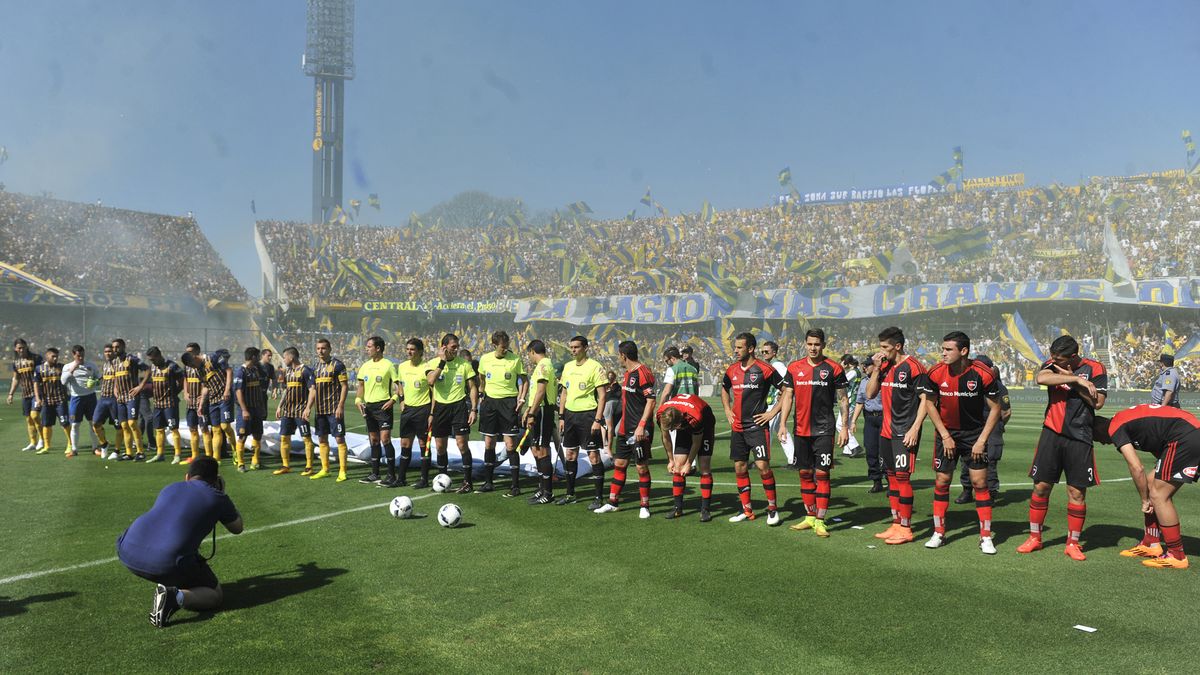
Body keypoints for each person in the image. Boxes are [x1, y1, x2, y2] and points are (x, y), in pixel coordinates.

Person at [116, 456, 243, 628]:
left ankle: (169, 580)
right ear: (215, 480)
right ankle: (174, 597)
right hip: (165, 562)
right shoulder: (217, 497)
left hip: (126, 549)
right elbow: (237, 527)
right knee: (215, 595)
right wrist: (222, 493)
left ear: (187, 476)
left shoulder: (170, 487)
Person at [1016, 334, 1107, 561]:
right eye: (1052, 357)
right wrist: (1076, 380)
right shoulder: (1053, 364)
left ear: (1073, 356)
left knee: (1076, 492)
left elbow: (1097, 402)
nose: (1053, 361)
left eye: (1059, 358)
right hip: (1051, 433)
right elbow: (1041, 377)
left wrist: (1074, 382)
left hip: (1080, 436)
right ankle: (1035, 538)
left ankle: (1072, 543)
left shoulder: (1095, 368)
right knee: (1041, 487)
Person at [918, 333, 1003, 554]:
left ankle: (986, 536)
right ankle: (938, 532)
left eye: (948, 349)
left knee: (980, 483)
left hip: (974, 434)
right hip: (946, 433)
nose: (943, 353)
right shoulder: (935, 372)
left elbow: (996, 408)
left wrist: (981, 440)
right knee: (942, 480)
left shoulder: (983, 373)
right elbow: (929, 404)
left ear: (963, 351)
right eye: (942, 349)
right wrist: (945, 436)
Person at [1095, 404, 1198, 569]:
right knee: (1151, 484)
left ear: (1099, 428)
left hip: (1184, 436)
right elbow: (1156, 441)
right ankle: (1151, 543)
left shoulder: (1115, 427)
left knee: (1158, 495)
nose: (1101, 443)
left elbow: (1137, 468)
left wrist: (1144, 500)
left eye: (1096, 438)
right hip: (1188, 432)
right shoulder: (1124, 422)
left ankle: (1177, 555)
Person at [773, 329, 849, 537]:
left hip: (824, 429)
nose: (813, 348)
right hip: (800, 430)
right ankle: (809, 517)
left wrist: (845, 427)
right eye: (810, 344)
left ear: (823, 345)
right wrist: (782, 424)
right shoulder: (794, 367)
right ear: (805, 344)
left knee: (822, 474)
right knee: (805, 473)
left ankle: (820, 521)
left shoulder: (833, 368)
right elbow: (788, 396)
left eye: (817, 344)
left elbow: (843, 399)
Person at [864, 326, 929, 545]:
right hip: (886, 431)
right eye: (880, 346)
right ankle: (896, 523)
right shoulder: (884, 367)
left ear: (898, 346)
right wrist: (876, 369)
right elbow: (870, 393)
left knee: (902, 478)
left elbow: (926, 400)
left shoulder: (914, 367)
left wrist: (915, 428)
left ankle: (906, 528)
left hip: (905, 432)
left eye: (885, 347)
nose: (881, 351)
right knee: (891, 477)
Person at [721, 332, 784, 525]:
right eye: (735, 347)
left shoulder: (765, 369)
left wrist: (772, 413)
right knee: (739, 467)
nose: (736, 350)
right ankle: (746, 510)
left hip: (757, 427)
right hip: (738, 427)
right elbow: (724, 388)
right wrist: (727, 409)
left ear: (750, 349)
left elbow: (787, 390)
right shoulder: (731, 370)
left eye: (739, 347)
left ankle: (772, 509)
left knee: (762, 467)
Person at [596, 341, 657, 518]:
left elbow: (651, 400)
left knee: (641, 468)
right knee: (620, 464)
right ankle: (612, 503)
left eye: (618, 355)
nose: (618, 358)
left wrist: (642, 425)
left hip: (639, 430)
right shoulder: (627, 373)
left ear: (623, 355)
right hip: (624, 429)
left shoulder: (643, 373)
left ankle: (644, 506)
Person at [556, 336, 608, 507]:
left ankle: (598, 498)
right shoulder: (568, 366)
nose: (573, 350)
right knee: (570, 454)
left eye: (576, 347)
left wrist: (597, 420)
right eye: (571, 347)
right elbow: (564, 393)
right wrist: (562, 417)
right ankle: (570, 494)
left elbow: (602, 396)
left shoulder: (595, 367)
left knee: (593, 456)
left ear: (585, 348)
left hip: (588, 416)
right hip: (570, 416)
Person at [476, 331, 528, 496]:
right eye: (502, 347)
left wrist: (521, 398)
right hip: (490, 403)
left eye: (507, 346)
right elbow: (481, 377)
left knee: (510, 444)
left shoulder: (515, 359)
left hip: (508, 403)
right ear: (494, 345)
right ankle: (488, 482)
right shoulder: (485, 359)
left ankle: (515, 485)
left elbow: (524, 380)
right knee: (489, 443)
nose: (505, 350)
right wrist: (482, 393)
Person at [426, 333, 479, 492]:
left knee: (462, 444)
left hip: (459, 407)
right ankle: (442, 480)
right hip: (440, 408)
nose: (456, 350)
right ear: (444, 347)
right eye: (453, 347)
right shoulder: (432, 363)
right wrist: (442, 362)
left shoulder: (464, 364)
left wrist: (474, 409)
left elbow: (472, 388)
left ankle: (467, 482)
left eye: (457, 347)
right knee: (440, 446)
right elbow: (430, 381)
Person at [956, 354, 1009, 503]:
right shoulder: (968, 382)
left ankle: (991, 493)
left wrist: (997, 426)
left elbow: (1006, 412)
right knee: (967, 458)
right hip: (972, 426)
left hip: (991, 428)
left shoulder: (998, 386)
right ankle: (967, 490)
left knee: (989, 460)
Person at [657, 393, 716, 521]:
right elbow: (666, 437)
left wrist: (689, 463)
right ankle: (677, 508)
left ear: (678, 425)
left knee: (704, 465)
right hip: (683, 417)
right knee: (678, 466)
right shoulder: (661, 414)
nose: (671, 431)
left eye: (673, 428)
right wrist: (670, 460)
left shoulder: (694, 418)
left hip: (705, 422)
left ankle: (705, 509)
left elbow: (696, 443)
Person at [355, 336, 399, 485]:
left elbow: (398, 386)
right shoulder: (365, 366)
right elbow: (361, 386)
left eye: (369, 346)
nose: (366, 349)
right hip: (369, 407)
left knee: (385, 439)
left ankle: (391, 475)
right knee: (373, 440)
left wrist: (393, 399)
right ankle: (375, 473)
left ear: (378, 348)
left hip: (383, 406)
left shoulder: (388, 365)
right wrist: (358, 400)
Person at [305, 338, 350, 481]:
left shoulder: (338, 365)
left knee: (339, 438)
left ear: (330, 349)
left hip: (334, 409)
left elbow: (344, 386)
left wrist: (340, 405)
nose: (320, 351)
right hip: (320, 410)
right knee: (322, 439)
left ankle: (342, 471)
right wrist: (308, 407)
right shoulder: (314, 367)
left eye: (323, 348)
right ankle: (325, 469)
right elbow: (313, 390)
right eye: (318, 348)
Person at [181, 348, 235, 464]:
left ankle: (235, 450)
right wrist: (201, 404)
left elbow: (229, 371)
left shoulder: (212, 358)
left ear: (195, 357)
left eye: (192, 364)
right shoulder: (199, 370)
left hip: (224, 398)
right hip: (212, 400)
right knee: (215, 429)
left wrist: (227, 390)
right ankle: (216, 458)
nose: (193, 367)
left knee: (225, 426)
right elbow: (205, 387)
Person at [523, 339, 559, 504]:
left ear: (532, 351)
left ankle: (548, 492)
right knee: (535, 449)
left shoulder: (544, 365)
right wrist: (529, 410)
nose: (529, 357)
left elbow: (541, 392)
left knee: (542, 450)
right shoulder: (541, 366)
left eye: (529, 354)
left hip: (543, 410)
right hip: (538, 410)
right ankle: (542, 488)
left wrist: (532, 413)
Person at [395, 338, 432, 487]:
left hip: (423, 409)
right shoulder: (402, 366)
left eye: (412, 349)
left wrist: (432, 412)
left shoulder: (426, 367)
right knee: (405, 443)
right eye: (407, 349)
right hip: (408, 410)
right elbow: (399, 385)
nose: (409, 352)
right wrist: (401, 400)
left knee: (423, 444)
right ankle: (401, 479)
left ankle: (424, 479)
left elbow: (433, 390)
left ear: (420, 351)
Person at [273, 347, 315, 476]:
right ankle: (285, 465)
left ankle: (309, 466)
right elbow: (287, 390)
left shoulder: (305, 370)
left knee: (306, 438)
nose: (283, 359)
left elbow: (312, 390)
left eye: (284, 357)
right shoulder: (288, 371)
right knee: (284, 437)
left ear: (291, 357)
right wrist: (280, 406)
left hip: (300, 411)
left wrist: (308, 408)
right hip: (287, 411)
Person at [848, 358, 885, 493]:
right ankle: (876, 481)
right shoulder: (864, 381)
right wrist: (853, 421)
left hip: (883, 417)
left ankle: (890, 480)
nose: (864, 368)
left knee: (884, 451)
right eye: (864, 365)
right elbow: (860, 402)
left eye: (868, 365)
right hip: (869, 418)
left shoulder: (884, 380)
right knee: (870, 450)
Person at [142, 347, 184, 464]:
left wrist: (174, 392)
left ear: (159, 355)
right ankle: (160, 454)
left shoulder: (172, 366)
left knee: (173, 429)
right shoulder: (153, 367)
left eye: (153, 359)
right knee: (159, 430)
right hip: (157, 404)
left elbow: (182, 381)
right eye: (151, 360)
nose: (153, 362)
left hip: (170, 404)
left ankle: (177, 455)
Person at [232, 347, 270, 471]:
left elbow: (258, 389)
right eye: (258, 356)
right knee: (242, 436)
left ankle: (255, 461)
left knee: (257, 434)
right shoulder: (240, 371)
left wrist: (262, 406)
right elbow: (238, 392)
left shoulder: (255, 370)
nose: (259, 358)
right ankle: (241, 463)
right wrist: (244, 410)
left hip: (256, 408)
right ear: (253, 357)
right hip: (245, 409)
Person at [60, 345, 101, 457]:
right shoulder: (68, 366)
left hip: (90, 397)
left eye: (82, 355)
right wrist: (74, 368)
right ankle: (74, 449)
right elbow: (63, 381)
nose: (81, 357)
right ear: (73, 355)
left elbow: (99, 378)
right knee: (75, 425)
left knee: (93, 424)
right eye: (78, 356)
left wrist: (95, 382)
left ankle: (95, 448)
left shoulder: (91, 365)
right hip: (76, 398)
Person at [111, 338, 147, 461]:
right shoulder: (114, 362)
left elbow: (147, 369)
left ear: (123, 347)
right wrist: (115, 388)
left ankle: (140, 452)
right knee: (124, 425)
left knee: (132, 423)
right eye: (113, 347)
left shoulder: (132, 359)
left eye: (117, 347)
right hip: (120, 398)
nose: (115, 349)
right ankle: (128, 453)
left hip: (132, 396)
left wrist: (140, 386)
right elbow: (116, 377)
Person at [33, 347, 70, 456]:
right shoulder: (39, 369)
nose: (55, 358)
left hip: (60, 400)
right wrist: (38, 398)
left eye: (56, 356)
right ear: (47, 356)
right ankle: (46, 446)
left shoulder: (62, 367)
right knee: (46, 424)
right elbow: (36, 384)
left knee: (65, 423)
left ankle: (70, 444)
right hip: (47, 401)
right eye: (53, 356)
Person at [7, 338, 43, 452]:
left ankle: (42, 440)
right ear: (15, 349)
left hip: (37, 392)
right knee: (29, 419)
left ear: (27, 346)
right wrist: (11, 394)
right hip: (25, 393)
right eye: (19, 348)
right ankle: (33, 442)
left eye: (23, 347)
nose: (21, 350)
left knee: (35, 415)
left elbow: (43, 373)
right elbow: (16, 378)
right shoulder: (16, 362)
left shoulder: (36, 358)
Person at [181, 343, 209, 464]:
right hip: (190, 403)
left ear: (197, 351)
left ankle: (209, 456)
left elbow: (205, 383)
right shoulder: (187, 366)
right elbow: (185, 379)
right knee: (192, 429)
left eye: (190, 351)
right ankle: (194, 456)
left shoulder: (203, 365)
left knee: (204, 429)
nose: (188, 353)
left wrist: (202, 397)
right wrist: (185, 392)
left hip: (201, 402)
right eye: (187, 351)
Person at [91, 343, 119, 458]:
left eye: (110, 351)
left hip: (115, 399)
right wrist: (96, 381)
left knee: (119, 426)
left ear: (114, 352)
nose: (108, 353)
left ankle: (117, 450)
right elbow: (105, 376)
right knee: (95, 423)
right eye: (106, 351)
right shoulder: (105, 365)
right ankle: (104, 444)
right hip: (103, 398)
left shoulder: (119, 363)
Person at [838, 354, 863, 458]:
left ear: (846, 362)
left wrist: (841, 369)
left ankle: (855, 446)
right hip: (853, 400)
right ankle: (847, 449)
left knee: (840, 424)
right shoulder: (857, 371)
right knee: (846, 424)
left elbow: (841, 380)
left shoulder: (853, 372)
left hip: (850, 400)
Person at [602, 370, 621, 452]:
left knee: (610, 427)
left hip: (613, 406)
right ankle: (604, 444)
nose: (610, 377)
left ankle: (609, 448)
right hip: (606, 406)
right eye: (609, 376)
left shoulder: (617, 386)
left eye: (611, 376)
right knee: (603, 424)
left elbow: (617, 396)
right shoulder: (605, 386)